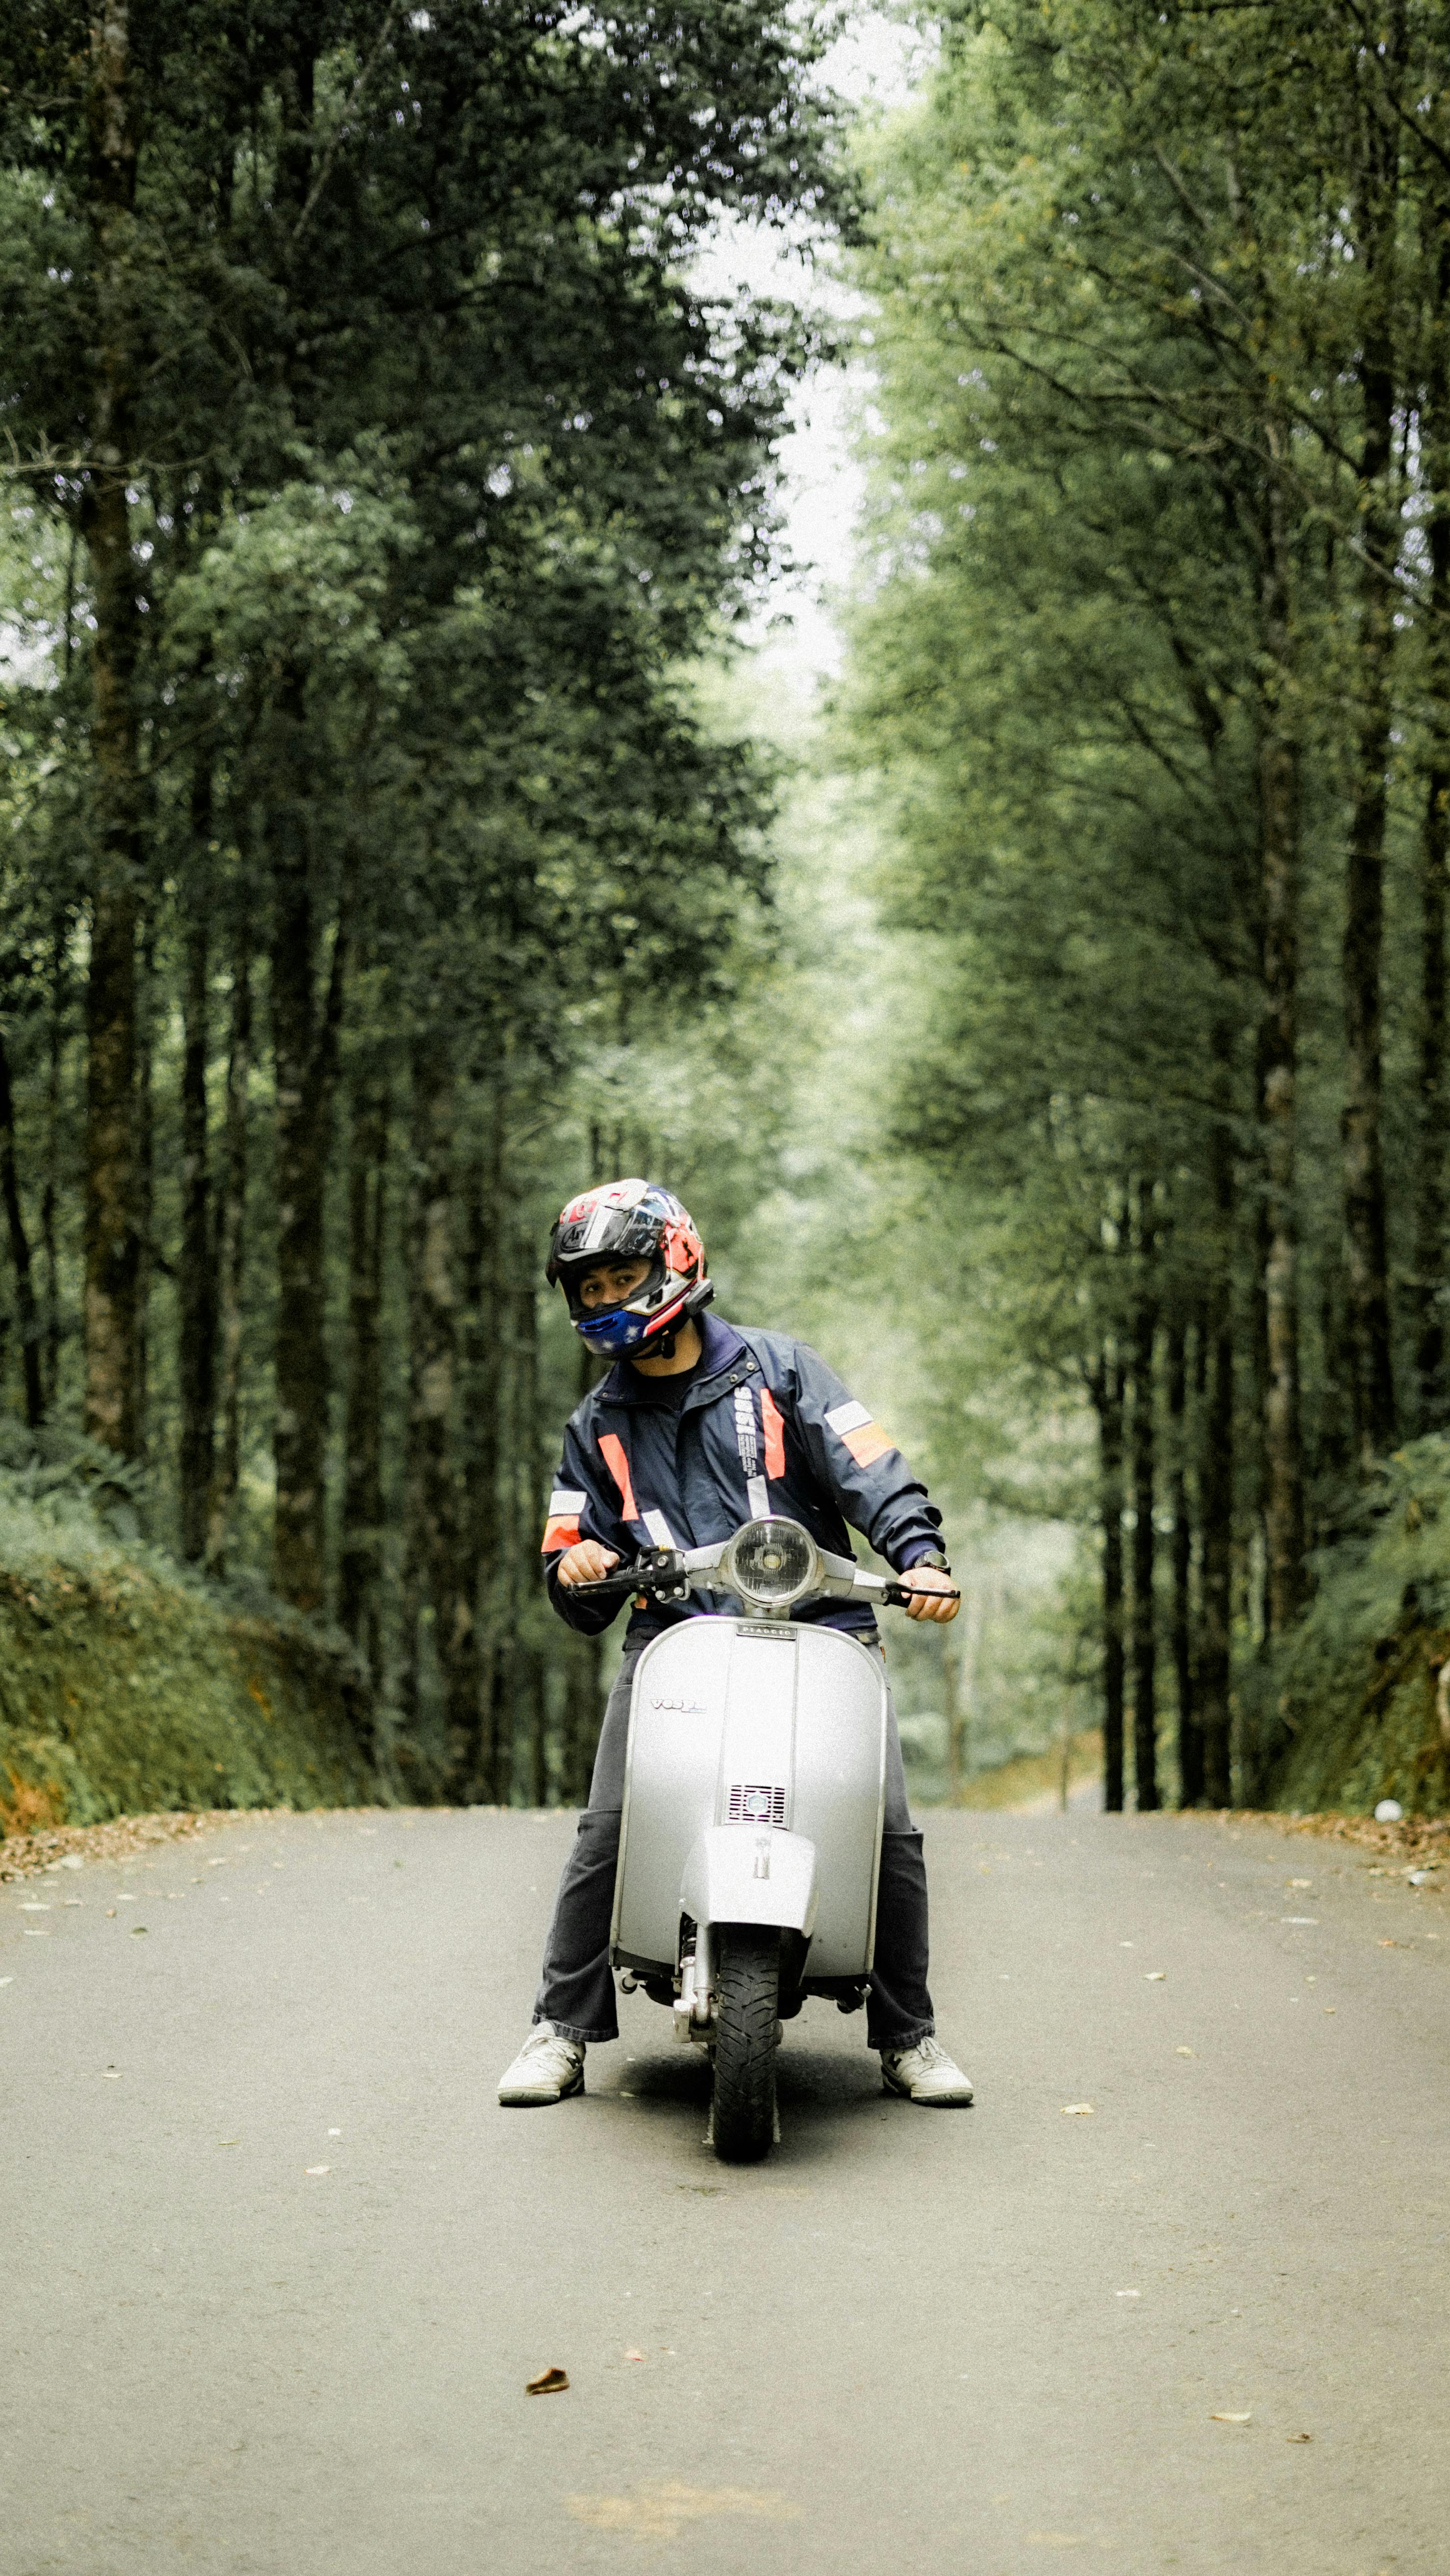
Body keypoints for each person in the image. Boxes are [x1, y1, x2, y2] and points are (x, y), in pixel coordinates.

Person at [497, 1178, 974, 2110]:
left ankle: (907, 2033)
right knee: (610, 1820)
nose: (602, 1300)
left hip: (821, 1629)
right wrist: (579, 1563)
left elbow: (868, 1466)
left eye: (619, 1276)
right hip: (675, 1637)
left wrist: (919, 1556)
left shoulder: (783, 1370)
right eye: (585, 1288)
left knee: (886, 1826)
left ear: (677, 1261)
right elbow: (565, 1548)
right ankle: (561, 2026)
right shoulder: (595, 1423)